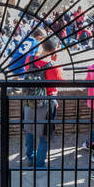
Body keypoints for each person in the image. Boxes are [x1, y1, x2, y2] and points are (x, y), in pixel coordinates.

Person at [19, 38, 64, 167]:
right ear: (55, 50)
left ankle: (30, 158)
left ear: (42, 45)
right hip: (46, 104)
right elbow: (61, 81)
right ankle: (39, 163)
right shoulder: (54, 67)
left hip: (29, 101)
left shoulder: (29, 59)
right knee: (44, 134)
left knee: (30, 131)